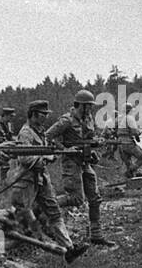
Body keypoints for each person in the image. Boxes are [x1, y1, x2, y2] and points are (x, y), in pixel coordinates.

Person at [9, 100, 85, 257]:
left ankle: (69, 249)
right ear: (33, 115)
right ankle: (4, 251)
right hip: (26, 180)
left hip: (42, 178)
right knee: (16, 216)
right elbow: (24, 159)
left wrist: (52, 155)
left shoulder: (40, 131)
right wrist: (46, 158)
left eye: (46, 114)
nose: (45, 117)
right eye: (42, 114)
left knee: (54, 212)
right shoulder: (26, 133)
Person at [44, 90, 114, 246]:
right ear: (80, 105)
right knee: (76, 198)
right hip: (71, 162)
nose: (90, 109)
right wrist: (64, 148)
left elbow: (89, 138)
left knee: (95, 199)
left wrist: (96, 144)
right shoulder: (66, 120)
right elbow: (47, 136)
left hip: (85, 162)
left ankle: (96, 235)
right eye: (88, 106)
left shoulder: (88, 119)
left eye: (91, 106)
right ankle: (45, 207)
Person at [107, 104, 142, 179]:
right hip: (128, 143)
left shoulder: (118, 118)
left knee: (128, 163)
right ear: (129, 111)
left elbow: (111, 129)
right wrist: (141, 131)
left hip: (120, 144)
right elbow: (135, 132)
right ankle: (129, 172)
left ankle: (130, 181)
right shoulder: (129, 118)